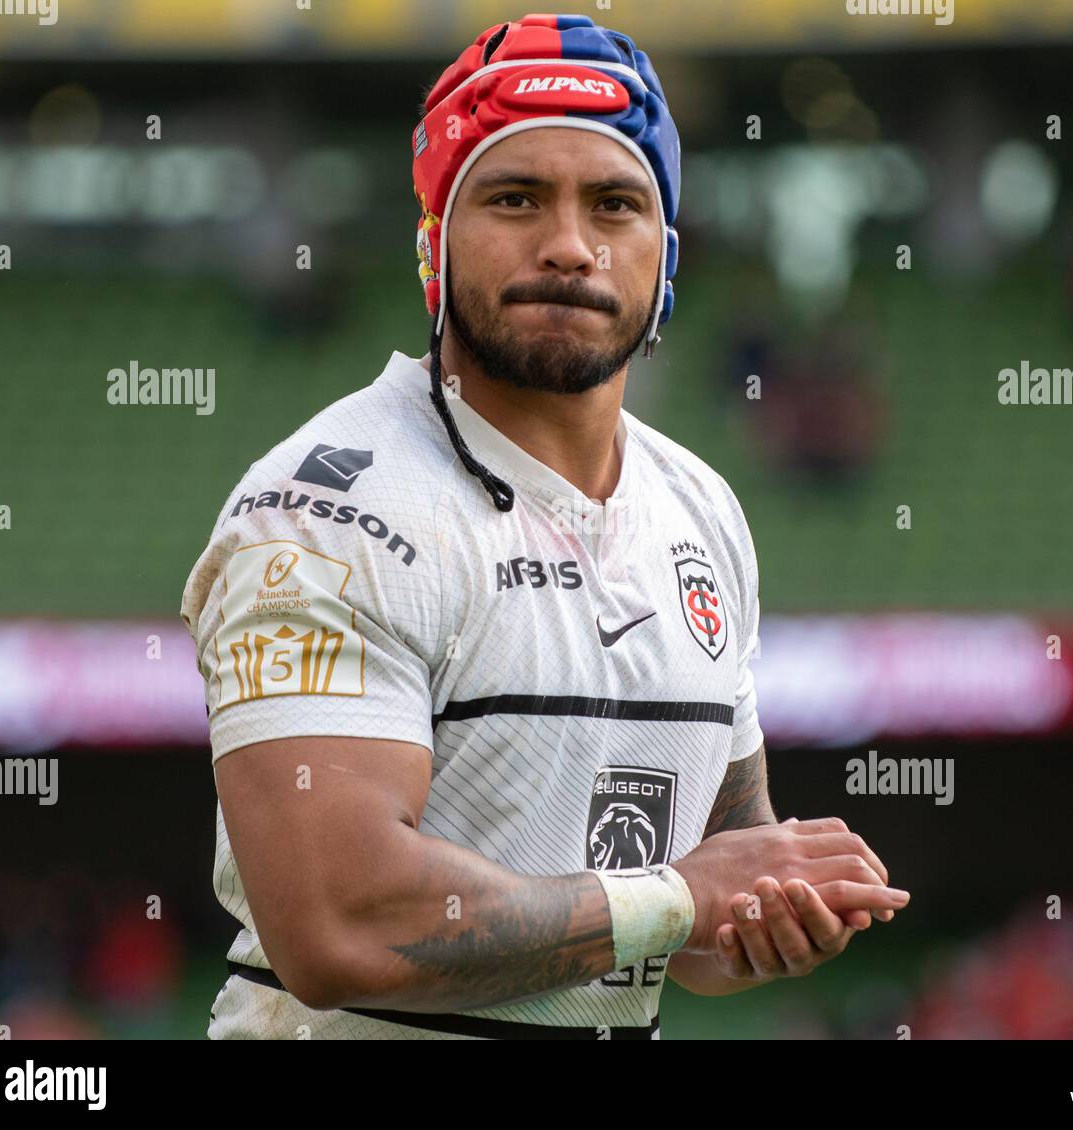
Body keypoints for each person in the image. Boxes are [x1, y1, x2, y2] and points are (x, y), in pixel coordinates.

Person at [180, 12, 909, 1040]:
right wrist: (682, 897)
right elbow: (336, 923)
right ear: (436, 239)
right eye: (515, 198)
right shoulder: (326, 511)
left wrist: (775, 905)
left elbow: (703, 910)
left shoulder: (701, 507)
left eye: (615, 203)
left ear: (665, 252)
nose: (569, 245)